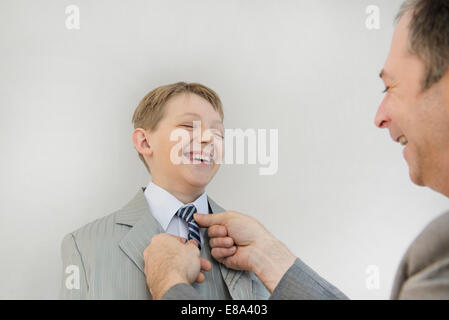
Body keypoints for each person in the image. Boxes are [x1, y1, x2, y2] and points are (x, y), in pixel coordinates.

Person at [145, 0, 449, 300]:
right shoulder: (100, 240)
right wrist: (268, 256)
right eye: (188, 128)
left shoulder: (440, 253)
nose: (380, 116)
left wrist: (169, 284)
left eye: (391, 87)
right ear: (144, 142)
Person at [59, 82, 269, 299]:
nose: (209, 138)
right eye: (189, 126)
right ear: (144, 142)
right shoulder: (84, 246)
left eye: (218, 133)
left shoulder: (251, 245)